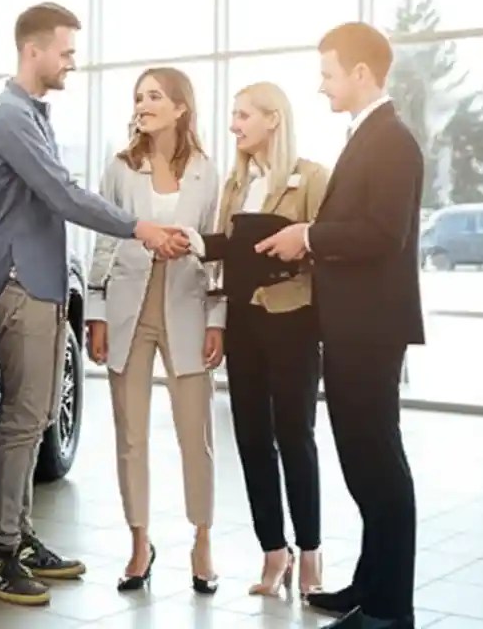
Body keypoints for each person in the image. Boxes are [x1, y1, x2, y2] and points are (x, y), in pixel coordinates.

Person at [0, 2, 188, 607]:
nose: (72, 62)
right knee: (22, 419)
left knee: (38, 416)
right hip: (20, 281)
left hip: (40, 282)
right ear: (33, 50)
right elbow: (62, 195)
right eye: (65, 51)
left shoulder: (31, 115)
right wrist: (139, 227)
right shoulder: (10, 117)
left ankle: (19, 538)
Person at [255, 21, 425, 629]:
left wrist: (309, 236)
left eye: (328, 73)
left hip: (372, 328)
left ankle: (389, 608)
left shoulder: (392, 140)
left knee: (378, 461)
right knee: (361, 459)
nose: (322, 85)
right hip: (355, 325)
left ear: (361, 73)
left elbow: (384, 233)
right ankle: (370, 584)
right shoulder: (369, 135)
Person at [84, 67, 223, 596]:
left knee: (196, 434)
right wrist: (96, 311)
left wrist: (218, 319)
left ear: (180, 108)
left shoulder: (207, 171)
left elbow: (217, 247)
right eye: (139, 97)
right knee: (130, 435)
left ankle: (202, 540)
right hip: (128, 307)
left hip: (188, 304)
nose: (143, 104)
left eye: (155, 96)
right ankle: (139, 543)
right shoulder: (121, 167)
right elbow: (103, 238)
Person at [192, 82, 329, 598]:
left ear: (274, 118)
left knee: (296, 436)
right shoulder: (236, 185)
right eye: (233, 115)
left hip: (294, 322)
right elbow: (226, 254)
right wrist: (191, 244)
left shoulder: (313, 177)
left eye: (244, 115)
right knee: (251, 438)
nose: (234, 125)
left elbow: (328, 248)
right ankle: (274, 551)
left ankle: (311, 552)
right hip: (244, 323)